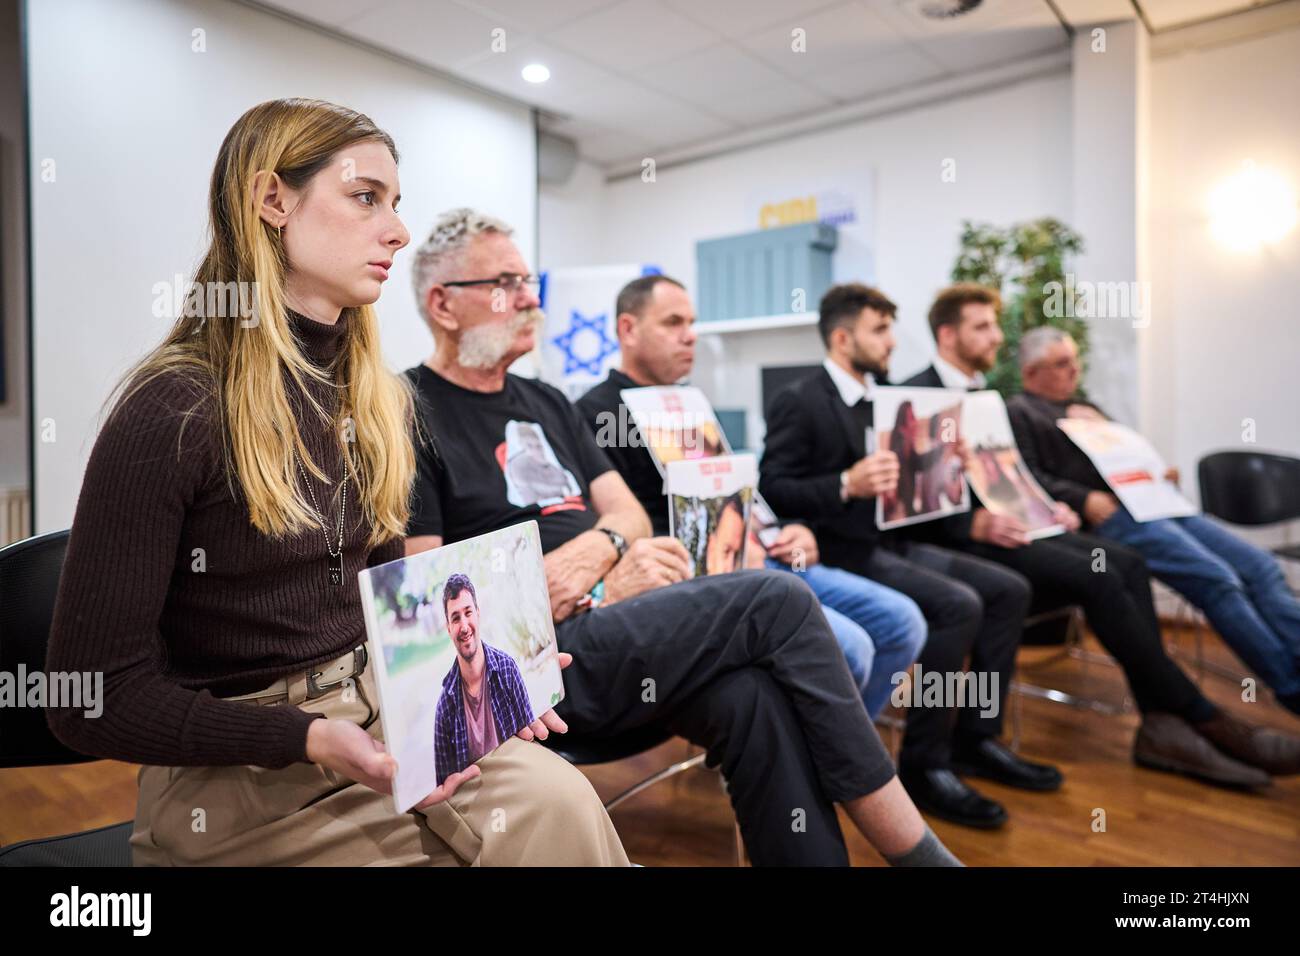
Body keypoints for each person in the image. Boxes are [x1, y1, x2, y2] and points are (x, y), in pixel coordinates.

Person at [43, 98, 628, 867]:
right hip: (243, 771)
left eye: (396, 203)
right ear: (272, 201)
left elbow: (385, 608)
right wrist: (309, 737)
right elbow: (90, 697)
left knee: (563, 806)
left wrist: (482, 675)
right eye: (366, 198)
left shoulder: (375, 401)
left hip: (386, 717)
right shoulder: (173, 411)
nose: (398, 230)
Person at [403, 208, 961, 866]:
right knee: (778, 601)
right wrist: (585, 579)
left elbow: (630, 518)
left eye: (529, 280)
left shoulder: (547, 401)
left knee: (752, 698)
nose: (531, 297)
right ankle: (920, 855)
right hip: (534, 660)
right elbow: (431, 599)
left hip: (613, 620)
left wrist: (600, 564)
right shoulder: (406, 412)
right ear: (443, 304)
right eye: (507, 283)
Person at [902, 283, 1299, 784]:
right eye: (982, 326)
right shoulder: (915, 396)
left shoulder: (986, 398)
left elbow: (1011, 477)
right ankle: (1196, 715)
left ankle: (1162, 725)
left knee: (1125, 562)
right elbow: (911, 499)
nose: (996, 337)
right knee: (1104, 576)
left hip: (1019, 523)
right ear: (947, 334)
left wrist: (1050, 508)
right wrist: (972, 522)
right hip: (967, 540)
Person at [761, 282, 1058, 829]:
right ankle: (924, 764)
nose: (893, 342)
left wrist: (948, 465)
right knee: (958, 604)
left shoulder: (889, 398)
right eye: (880, 330)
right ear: (843, 336)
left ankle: (979, 734)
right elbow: (774, 489)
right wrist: (845, 484)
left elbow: (909, 489)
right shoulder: (800, 400)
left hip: (890, 543)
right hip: (842, 551)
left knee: (1008, 590)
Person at [576, 274, 926, 721]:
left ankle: (835, 757)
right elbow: (624, 528)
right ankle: (814, 765)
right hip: (705, 577)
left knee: (901, 623)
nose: (690, 336)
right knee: (852, 649)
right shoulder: (593, 414)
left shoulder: (689, 403)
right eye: (673, 323)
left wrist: (789, 528)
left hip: (763, 551)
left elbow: (741, 495)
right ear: (628, 329)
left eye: (693, 323)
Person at [1011, 327, 1300, 719]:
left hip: (1160, 504)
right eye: (1061, 364)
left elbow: (1125, 457)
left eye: (1075, 362)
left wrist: (1155, 473)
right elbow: (1028, 477)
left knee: (1262, 567)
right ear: (1031, 372)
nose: (1074, 371)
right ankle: (1290, 686)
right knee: (1217, 578)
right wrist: (1083, 499)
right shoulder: (1021, 412)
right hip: (1115, 515)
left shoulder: (1087, 408)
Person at [433, 573, 535, 784]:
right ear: (448, 628)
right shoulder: (445, 704)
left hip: (518, 775)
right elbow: (445, 783)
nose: (463, 626)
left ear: (478, 614)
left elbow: (530, 738)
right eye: (455, 617)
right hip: (476, 795)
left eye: (468, 613)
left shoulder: (507, 669)